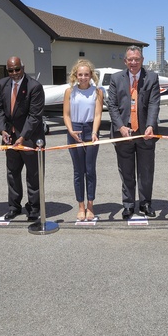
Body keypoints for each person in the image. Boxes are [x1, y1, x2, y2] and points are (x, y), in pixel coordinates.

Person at [107, 45, 160, 219]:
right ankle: (128, 204)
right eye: (130, 59)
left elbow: (154, 103)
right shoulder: (116, 79)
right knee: (126, 172)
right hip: (124, 134)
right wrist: (121, 127)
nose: (134, 62)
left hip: (145, 133)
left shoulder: (151, 78)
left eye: (137, 59)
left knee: (146, 172)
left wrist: (151, 125)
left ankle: (145, 204)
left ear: (142, 60)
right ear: (125, 61)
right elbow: (112, 105)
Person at [0, 56, 45, 221]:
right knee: (12, 173)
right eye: (11, 70)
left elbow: (34, 116)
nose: (14, 73)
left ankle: (34, 208)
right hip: (10, 138)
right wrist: (3, 130)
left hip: (30, 138)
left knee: (34, 175)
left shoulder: (34, 87)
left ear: (23, 67)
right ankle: (14, 207)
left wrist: (23, 136)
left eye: (17, 69)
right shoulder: (2, 84)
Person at [62, 59, 103, 221]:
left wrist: (94, 132)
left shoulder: (97, 92)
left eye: (86, 74)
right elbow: (66, 114)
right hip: (75, 130)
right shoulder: (69, 92)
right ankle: (81, 206)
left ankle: (90, 205)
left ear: (91, 75)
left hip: (91, 129)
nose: (83, 77)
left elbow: (98, 114)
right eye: (80, 74)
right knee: (78, 171)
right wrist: (70, 130)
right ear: (75, 75)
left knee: (90, 169)